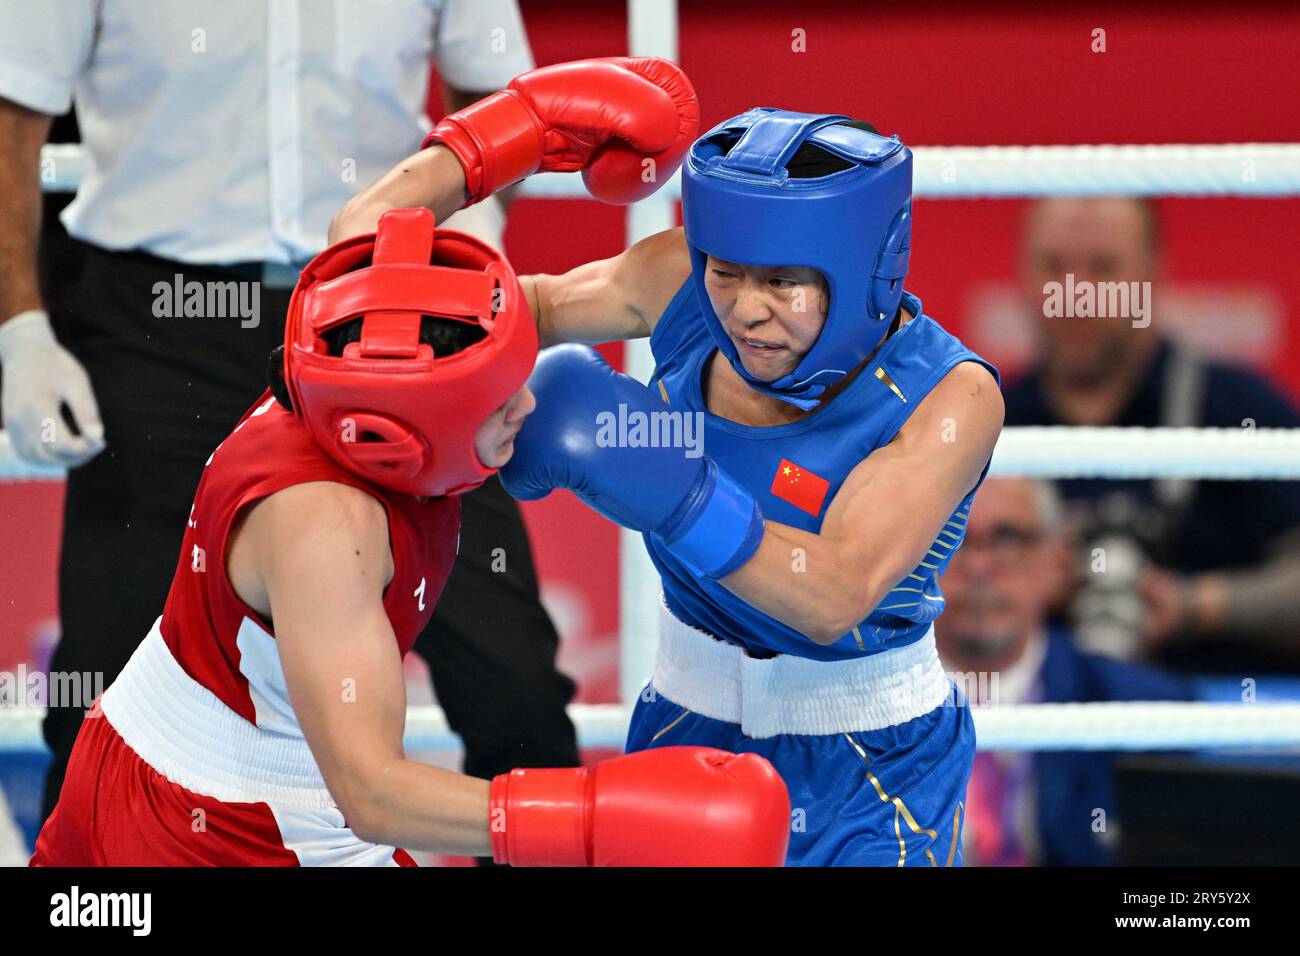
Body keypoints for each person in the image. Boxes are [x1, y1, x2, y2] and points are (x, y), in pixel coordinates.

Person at [335, 99, 1005, 864]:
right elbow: (528, 309)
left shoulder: (948, 397)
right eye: (726, 272)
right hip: (686, 720)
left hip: (873, 765)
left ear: (866, 273)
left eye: (784, 283)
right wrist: (404, 293)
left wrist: (677, 493)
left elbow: (834, 594)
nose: (747, 310)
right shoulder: (676, 283)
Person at [30, 206, 790, 867]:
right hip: (225, 816)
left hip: (219, 752)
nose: (529, 403)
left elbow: (397, 219)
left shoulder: (360, 332)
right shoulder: (329, 528)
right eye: (498, 399)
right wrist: (599, 819)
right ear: (406, 437)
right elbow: (372, 793)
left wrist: (502, 136)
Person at [0, 0, 582, 826]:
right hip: (160, 324)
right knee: (101, 689)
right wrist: (18, 326)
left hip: (391, 319)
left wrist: (453, 251)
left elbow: (499, 98)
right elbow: (13, 108)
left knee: (515, 689)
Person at [1003, 197, 1300, 673]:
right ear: (1020, 271)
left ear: (1153, 273)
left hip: (1215, 737)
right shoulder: (984, 421)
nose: (1075, 293)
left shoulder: (1242, 411)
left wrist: (1197, 606)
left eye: (1103, 269)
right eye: (1053, 265)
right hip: (1036, 740)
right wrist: (1017, 584)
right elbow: (910, 593)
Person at [936, 477, 1194, 866]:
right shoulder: (859, 712)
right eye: (952, 536)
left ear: (1057, 560)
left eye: (1008, 538)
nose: (979, 565)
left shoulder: (1146, 711)